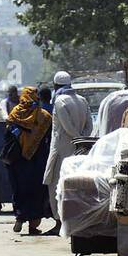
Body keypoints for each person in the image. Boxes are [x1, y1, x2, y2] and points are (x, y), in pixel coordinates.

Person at [42, 71, 92, 237]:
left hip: (61, 151)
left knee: (55, 185)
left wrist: (77, 138)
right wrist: (82, 141)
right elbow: (89, 126)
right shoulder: (82, 100)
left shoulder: (59, 101)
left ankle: (59, 223)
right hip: (80, 150)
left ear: (55, 85)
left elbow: (67, 126)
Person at [5, 86, 53, 235]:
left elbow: (7, 136)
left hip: (18, 161)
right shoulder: (44, 116)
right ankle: (33, 226)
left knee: (19, 190)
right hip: (37, 161)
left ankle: (20, 217)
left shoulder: (15, 113)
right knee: (37, 193)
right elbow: (50, 138)